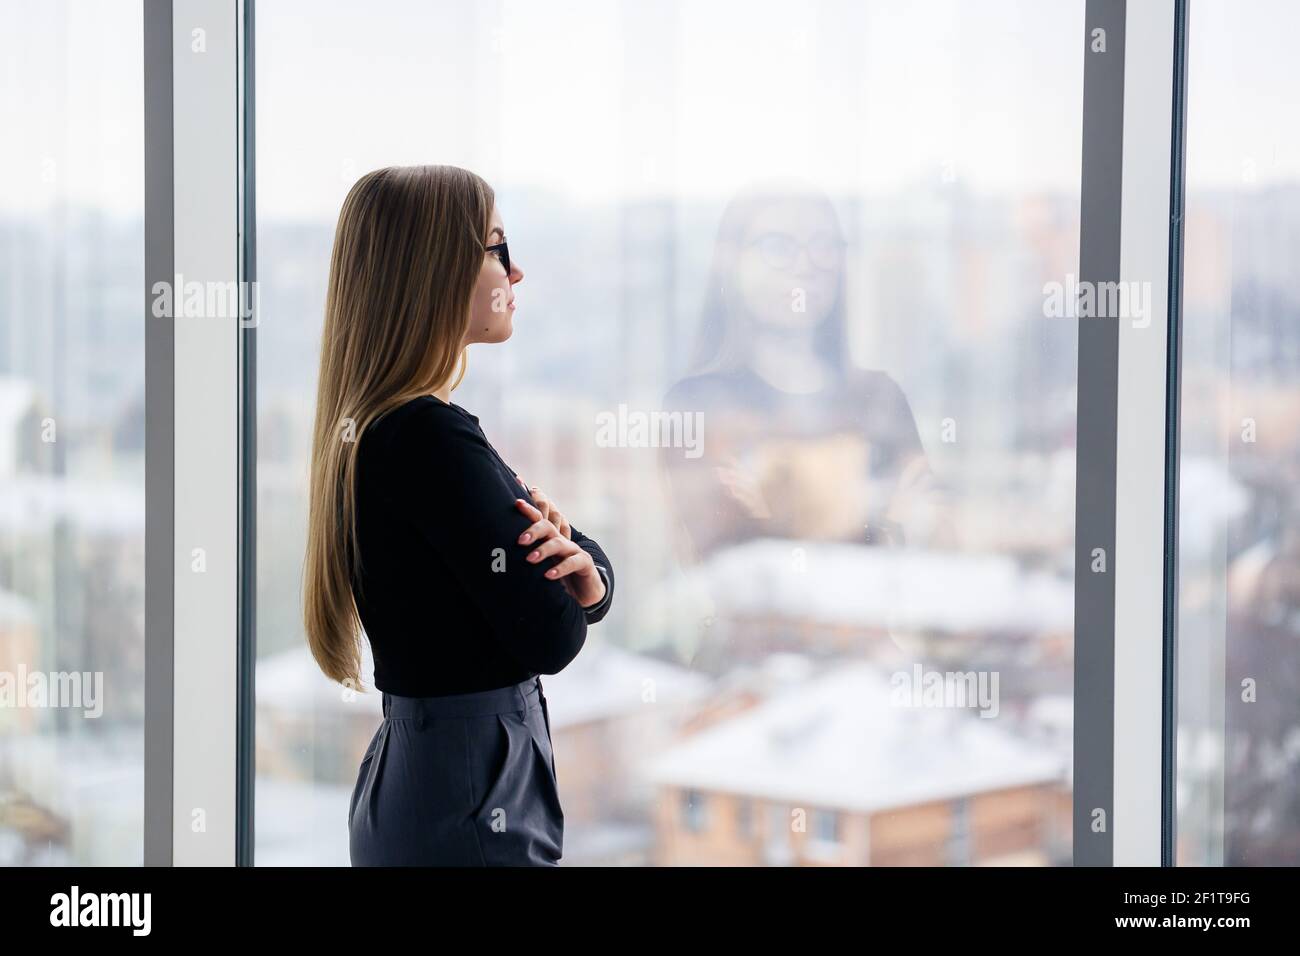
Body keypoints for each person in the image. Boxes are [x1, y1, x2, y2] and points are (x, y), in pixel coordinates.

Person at [301, 164, 615, 866]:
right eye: (497, 247)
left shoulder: (389, 431)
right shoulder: (430, 438)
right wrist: (583, 584)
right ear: (435, 268)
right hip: (473, 790)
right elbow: (551, 632)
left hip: (436, 776)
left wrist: (584, 573)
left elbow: (567, 566)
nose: (516, 272)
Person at [660, 181, 950, 671]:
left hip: (870, 666)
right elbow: (729, 566)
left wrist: (791, 498)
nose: (807, 264)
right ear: (732, 262)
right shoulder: (698, 402)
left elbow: (927, 532)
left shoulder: (879, 396)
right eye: (779, 246)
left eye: (824, 246)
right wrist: (867, 506)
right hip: (749, 672)